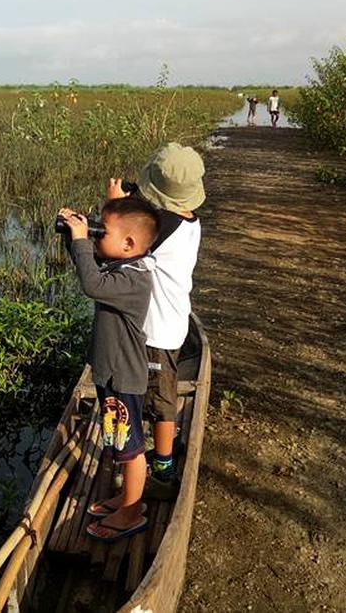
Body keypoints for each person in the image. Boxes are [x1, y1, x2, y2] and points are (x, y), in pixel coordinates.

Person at [57, 196, 159, 543]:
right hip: (112, 374)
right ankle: (126, 499)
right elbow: (90, 266)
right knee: (119, 441)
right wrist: (75, 236)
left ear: (129, 244)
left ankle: (131, 512)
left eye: (103, 231)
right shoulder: (125, 266)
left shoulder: (136, 279)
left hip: (124, 378)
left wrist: (83, 241)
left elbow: (91, 284)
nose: (97, 236)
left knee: (130, 449)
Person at [107, 142, 204, 492]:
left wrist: (117, 204)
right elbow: (155, 216)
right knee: (163, 396)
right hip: (175, 327)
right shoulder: (188, 222)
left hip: (154, 336)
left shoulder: (161, 228)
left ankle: (155, 467)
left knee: (155, 402)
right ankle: (160, 458)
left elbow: (120, 245)